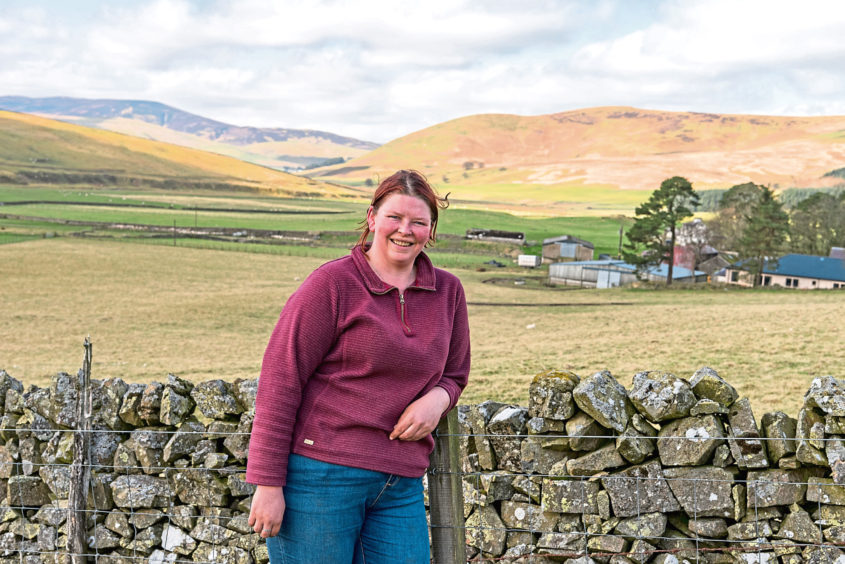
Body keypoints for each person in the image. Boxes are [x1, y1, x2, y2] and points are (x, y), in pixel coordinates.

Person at [246, 169, 471, 563]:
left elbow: (455, 373)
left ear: (431, 230)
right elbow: (282, 380)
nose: (405, 230)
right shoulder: (332, 284)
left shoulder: (448, 291)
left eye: (418, 222)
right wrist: (267, 484)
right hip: (319, 477)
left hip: (399, 482)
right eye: (394, 218)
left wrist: (437, 399)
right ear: (372, 218)